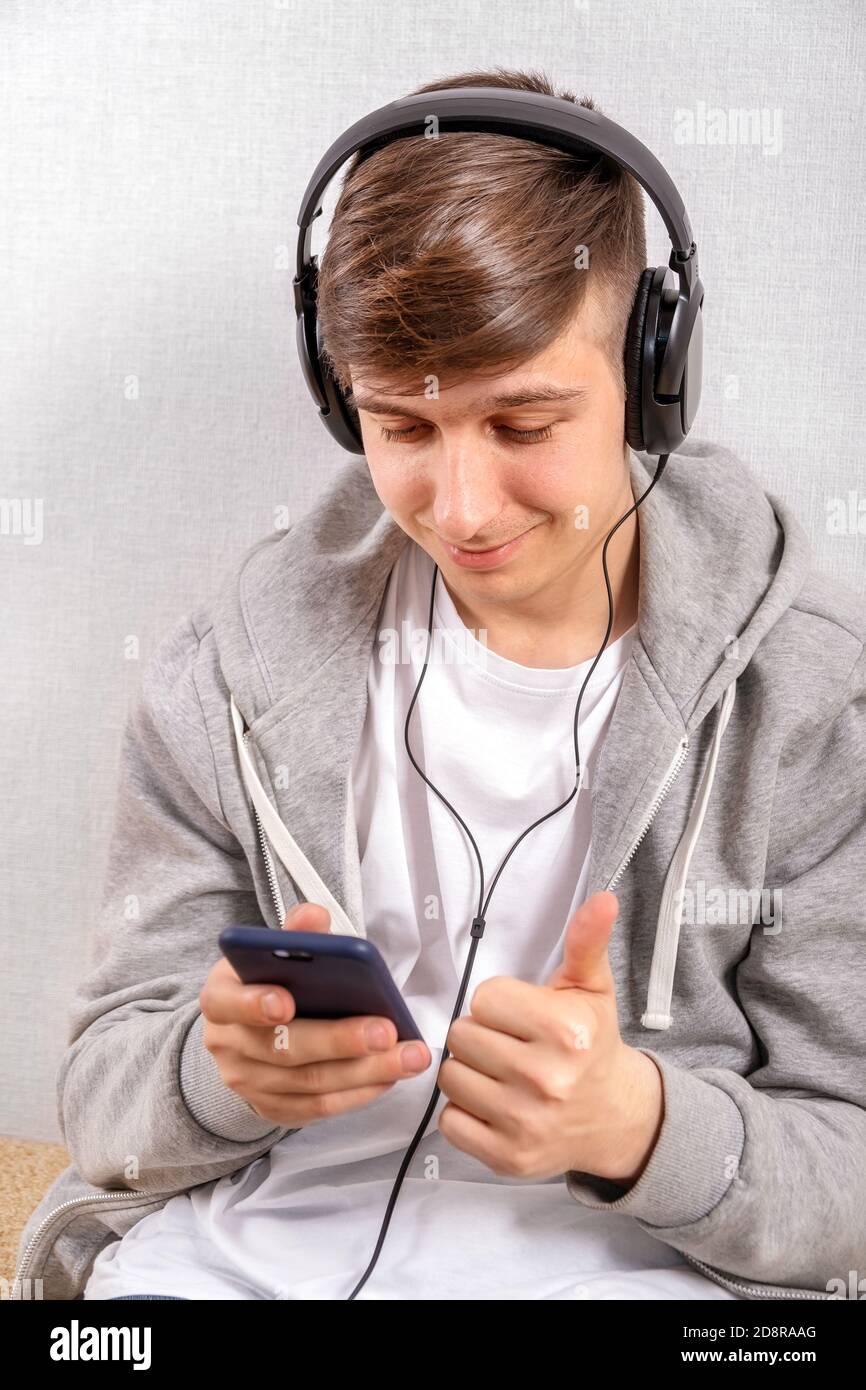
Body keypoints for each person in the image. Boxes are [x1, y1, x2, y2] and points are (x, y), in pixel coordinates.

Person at [16, 68, 865, 1302]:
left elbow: (846, 1183)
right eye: (401, 431)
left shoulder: (813, 708)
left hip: (635, 1274)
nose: (459, 511)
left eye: (522, 425)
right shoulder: (223, 672)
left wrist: (638, 1126)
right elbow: (106, 1097)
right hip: (243, 1259)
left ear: (650, 372)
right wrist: (219, 1075)